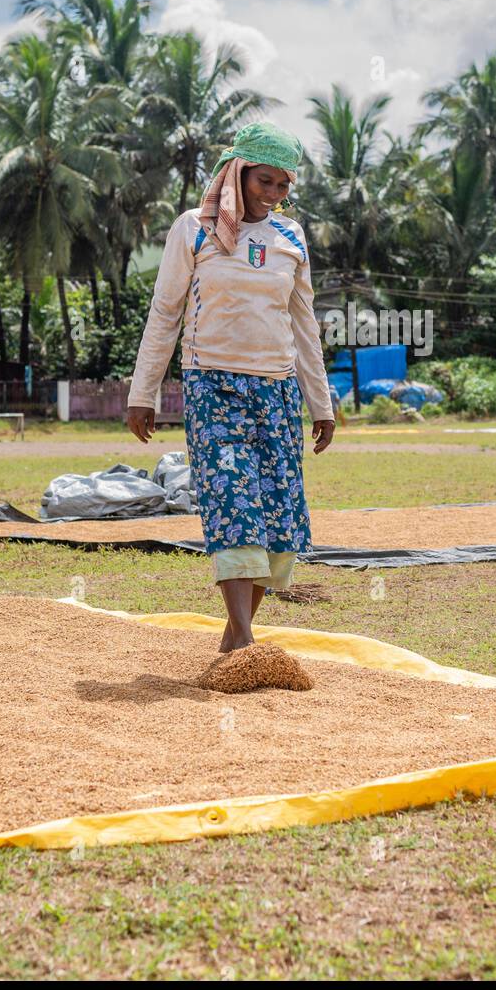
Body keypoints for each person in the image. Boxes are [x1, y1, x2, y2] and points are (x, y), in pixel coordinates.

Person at [126, 121, 335, 654]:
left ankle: (234, 640)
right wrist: (142, 393)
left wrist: (322, 402)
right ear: (238, 174)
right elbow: (165, 311)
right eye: (266, 181)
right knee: (233, 502)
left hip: (278, 390)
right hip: (212, 387)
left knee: (278, 511)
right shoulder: (193, 228)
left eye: (285, 186)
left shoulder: (290, 237)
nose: (275, 195)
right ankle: (244, 642)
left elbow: (304, 323)